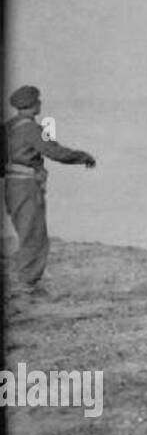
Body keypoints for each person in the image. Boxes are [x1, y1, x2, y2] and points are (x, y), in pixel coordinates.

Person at [3, 85, 96, 293]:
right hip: (27, 188)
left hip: (11, 186)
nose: (41, 103)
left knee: (24, 232)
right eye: (39, 100)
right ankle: (27, 285)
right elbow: (55, 151)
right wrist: (83, 157)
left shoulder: (8, 127)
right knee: (34, 235)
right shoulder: (34, 129)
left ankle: (25, 281)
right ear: (34, 104)